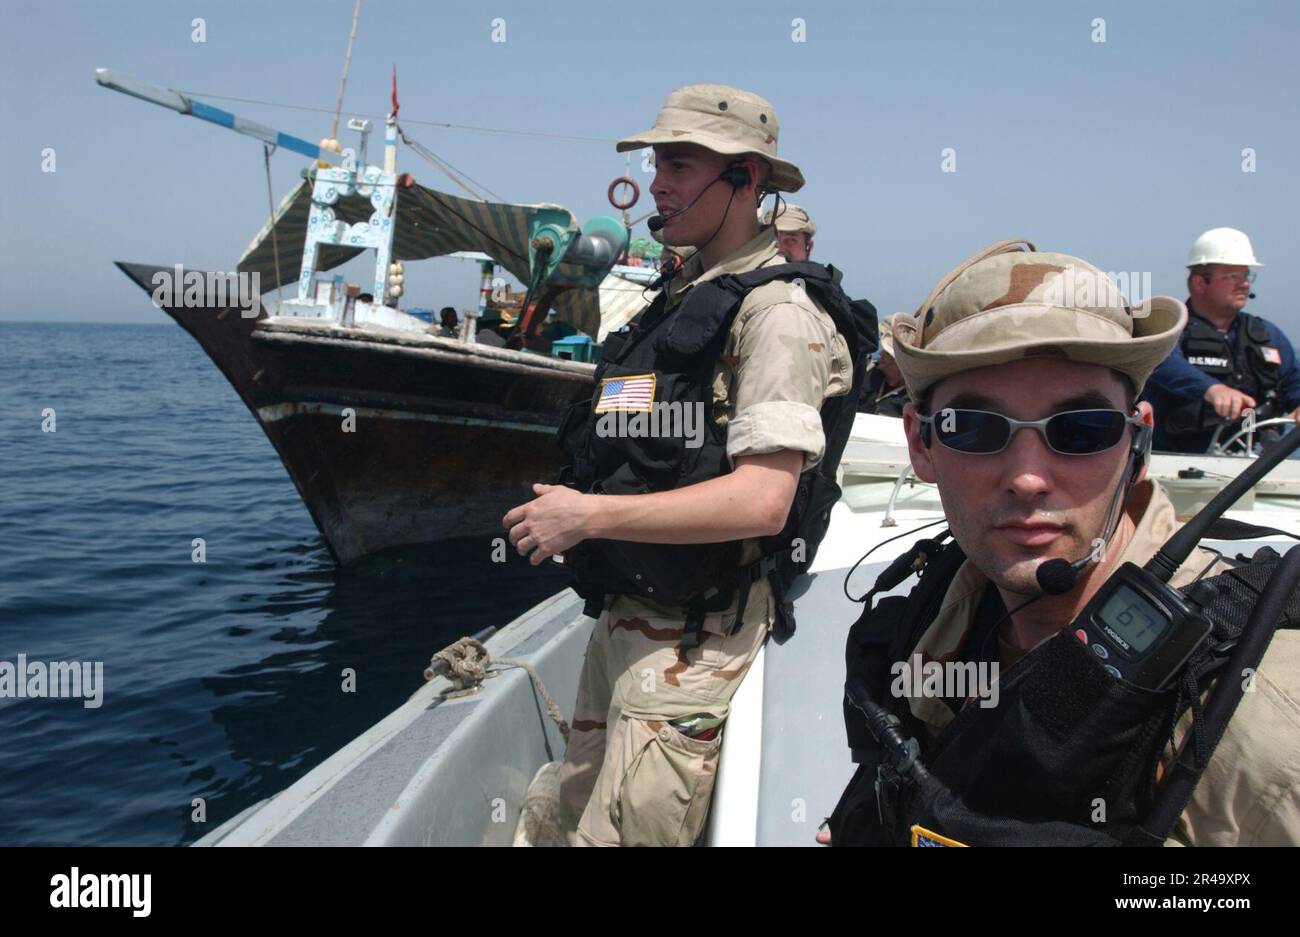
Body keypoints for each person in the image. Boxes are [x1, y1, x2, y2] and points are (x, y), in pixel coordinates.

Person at [829, 238, 1300, 846]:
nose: (1028, 477)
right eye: (974, 428)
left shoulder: (1260, 724)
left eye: (1081, 430)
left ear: (1137, 446)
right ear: (921, 445)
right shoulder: (936, 612)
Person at [504, 83, 863, 846]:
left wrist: (589, 513)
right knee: (568, 810)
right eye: (656, 159)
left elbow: (764, 499)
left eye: (680, 161)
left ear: (748, 181)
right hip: (626, 620)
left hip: (688, 646)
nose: (657, 180)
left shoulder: (777, 315)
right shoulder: (684, 292)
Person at [1143, 228, 1300, 452]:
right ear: (1200, 283)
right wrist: (1211, 389)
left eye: (1246, 276)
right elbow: (1160, 361)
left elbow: (1294, 384)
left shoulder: (1268, 336)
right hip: (1171, 462)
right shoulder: (1167, 328)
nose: (1244, 284)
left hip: (1251, 462)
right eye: (1233, 277)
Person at [858, 319, 908, 417]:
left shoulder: (912, 399)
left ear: (898, 363)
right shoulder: (868, 375)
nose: (881, 354)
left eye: (887, 353)